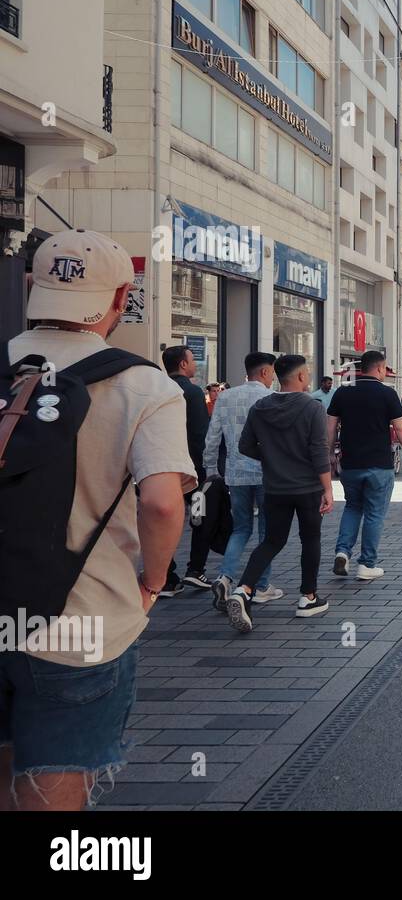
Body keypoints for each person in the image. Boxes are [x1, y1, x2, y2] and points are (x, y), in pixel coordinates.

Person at [2, 228, 192, 810]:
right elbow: (162, 501)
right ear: (120, 298)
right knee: (54, 787)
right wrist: (153, 583)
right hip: (78, 625)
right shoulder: (142, 385)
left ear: (32, 285)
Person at [224, 355, 332, 632]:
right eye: (306, 373)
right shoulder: (313, 408)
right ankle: (308, 597)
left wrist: (273, 457)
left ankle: (244, 589)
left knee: (272, 541)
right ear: (299, 377)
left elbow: (245, 446)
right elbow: (318, 451)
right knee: (310, 539)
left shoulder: (261, 407)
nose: (308, 377)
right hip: (307, 487)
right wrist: (328, 488)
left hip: (275, 487)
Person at [327, 350, 402, 581]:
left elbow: (329, 427)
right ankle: (367, 564)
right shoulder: (387, 394)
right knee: (374, 514)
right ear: (379, 368)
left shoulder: (342, 392)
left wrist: (329, 453)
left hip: (351, 464)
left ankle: (342, 552)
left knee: (352, 507)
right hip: (379, 464)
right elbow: (400, 428)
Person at [207, 352, 280, 612]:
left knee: (240, 529)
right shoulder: (270, 399)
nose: (273, 377)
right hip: (266, 473)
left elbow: (213, 437)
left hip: (235, 473)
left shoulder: (225, 397)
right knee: (267, 532)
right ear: (264, 372)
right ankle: (260, 585)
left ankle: (225, 577)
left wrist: (210, 469)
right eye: (272, 372)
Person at [162, 344, 212, 595]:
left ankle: (166, 576)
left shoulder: (157, 388)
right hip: (192, 471)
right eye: (192, 360)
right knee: (200, 518)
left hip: (162, 468)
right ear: (183, 364)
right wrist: (205, 467)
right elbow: (199, 434)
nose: (194, 364)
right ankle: (196, 569)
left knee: (163, 521)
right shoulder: (192, 393)